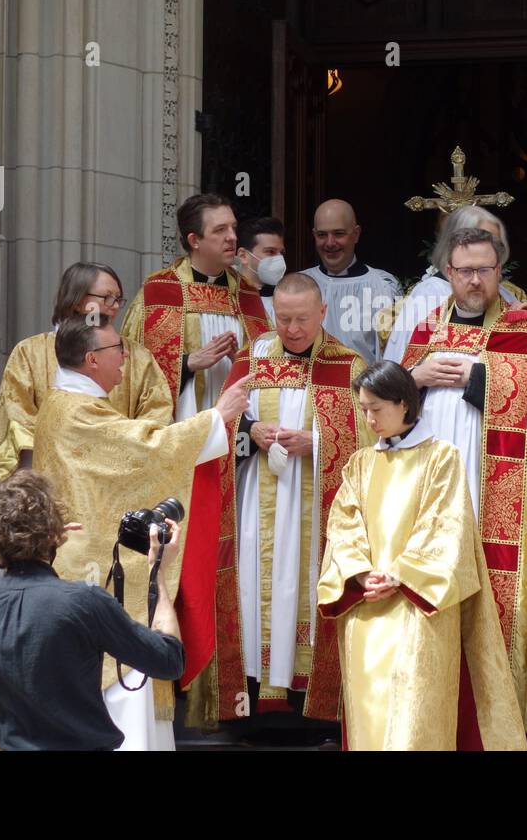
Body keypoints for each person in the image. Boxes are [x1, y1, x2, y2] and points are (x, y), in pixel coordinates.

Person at [397, 227, 527, 746]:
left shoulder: (524, 328)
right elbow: (385, 407)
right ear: (447, 273)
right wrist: (415, 378)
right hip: (433, 494)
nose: (473, 280)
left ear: (498, 273)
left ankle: (508, 714)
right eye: (464, 270)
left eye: (484, 270)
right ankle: (440, 712)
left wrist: (473, 379)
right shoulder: (423, 333)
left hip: (499, 493)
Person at [33, 316, 250, 749]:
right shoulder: (76, 411)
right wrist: (217, 418)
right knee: (120, 697)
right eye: (118, 350)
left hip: (80, 571)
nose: (126, 358)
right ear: (92, 360)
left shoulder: (67, 404)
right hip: (100, 575)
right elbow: (146, 451)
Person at [187, 273, 370, 732]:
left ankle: (312, 711)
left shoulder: (348, 366)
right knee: (257, 591)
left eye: (302, 320)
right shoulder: (252, 360)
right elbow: (217, 425)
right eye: (283, 319)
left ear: (322, 313)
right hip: (258, 506)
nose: (291, 329)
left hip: (317, 511)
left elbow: (374, 438)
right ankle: (253, 706)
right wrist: (251, 433)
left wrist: (321, 440)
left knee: (304, 591)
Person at [317, 361, 527, 750]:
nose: (369, 419)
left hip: (419, 607)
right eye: (363, 408)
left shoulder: (441, 458)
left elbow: (446, 529)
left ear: (404, 404)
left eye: (376, 408)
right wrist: (361, 574)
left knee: (415, 718)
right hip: (366, 609)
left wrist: (397, 576)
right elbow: (343, 526)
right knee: (369, 717)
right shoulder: (360, 464)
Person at [0, 471, 186, 751]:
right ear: (55, 534)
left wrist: (42, 538)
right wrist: (158, 573)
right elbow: (169, 660)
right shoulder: (85, 603)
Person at [0, 262, 173, 479]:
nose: (114, 306)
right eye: (106, 298)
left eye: (118, 299)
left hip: (117, 475)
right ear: (76, 300)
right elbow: (17, 417)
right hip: (50, 476)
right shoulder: (30, 352)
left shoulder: (138, 357)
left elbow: (156, 412)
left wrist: (120, 455)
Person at [121, 192, 271, 419]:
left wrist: (241, 360)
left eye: (233, 227)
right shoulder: (160, 290)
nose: (232, 237)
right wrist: (186, 363)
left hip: (240, 428)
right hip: (182, 424)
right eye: (220, 230)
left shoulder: (247, 295)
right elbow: (133, 370)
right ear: (194, 240)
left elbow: (271, 364)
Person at [383, 204, 527, 366]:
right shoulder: (428, 296)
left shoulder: (507, 296)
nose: (493, 250)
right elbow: (401, 367)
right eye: (484, 240)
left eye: (497, 243)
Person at [301, 198, 402, 364]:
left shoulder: (383, 286)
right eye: (322, 235)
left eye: (339, 234)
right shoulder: (299, 284)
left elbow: (393, 353)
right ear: (314, 235)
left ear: (356, 234)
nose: (330, 243)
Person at [236, 216, 288, 321]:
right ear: (243, 256)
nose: (279, 259)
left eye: (281, 252)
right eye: (270, 252)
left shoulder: (287, 300)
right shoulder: (228, 300)